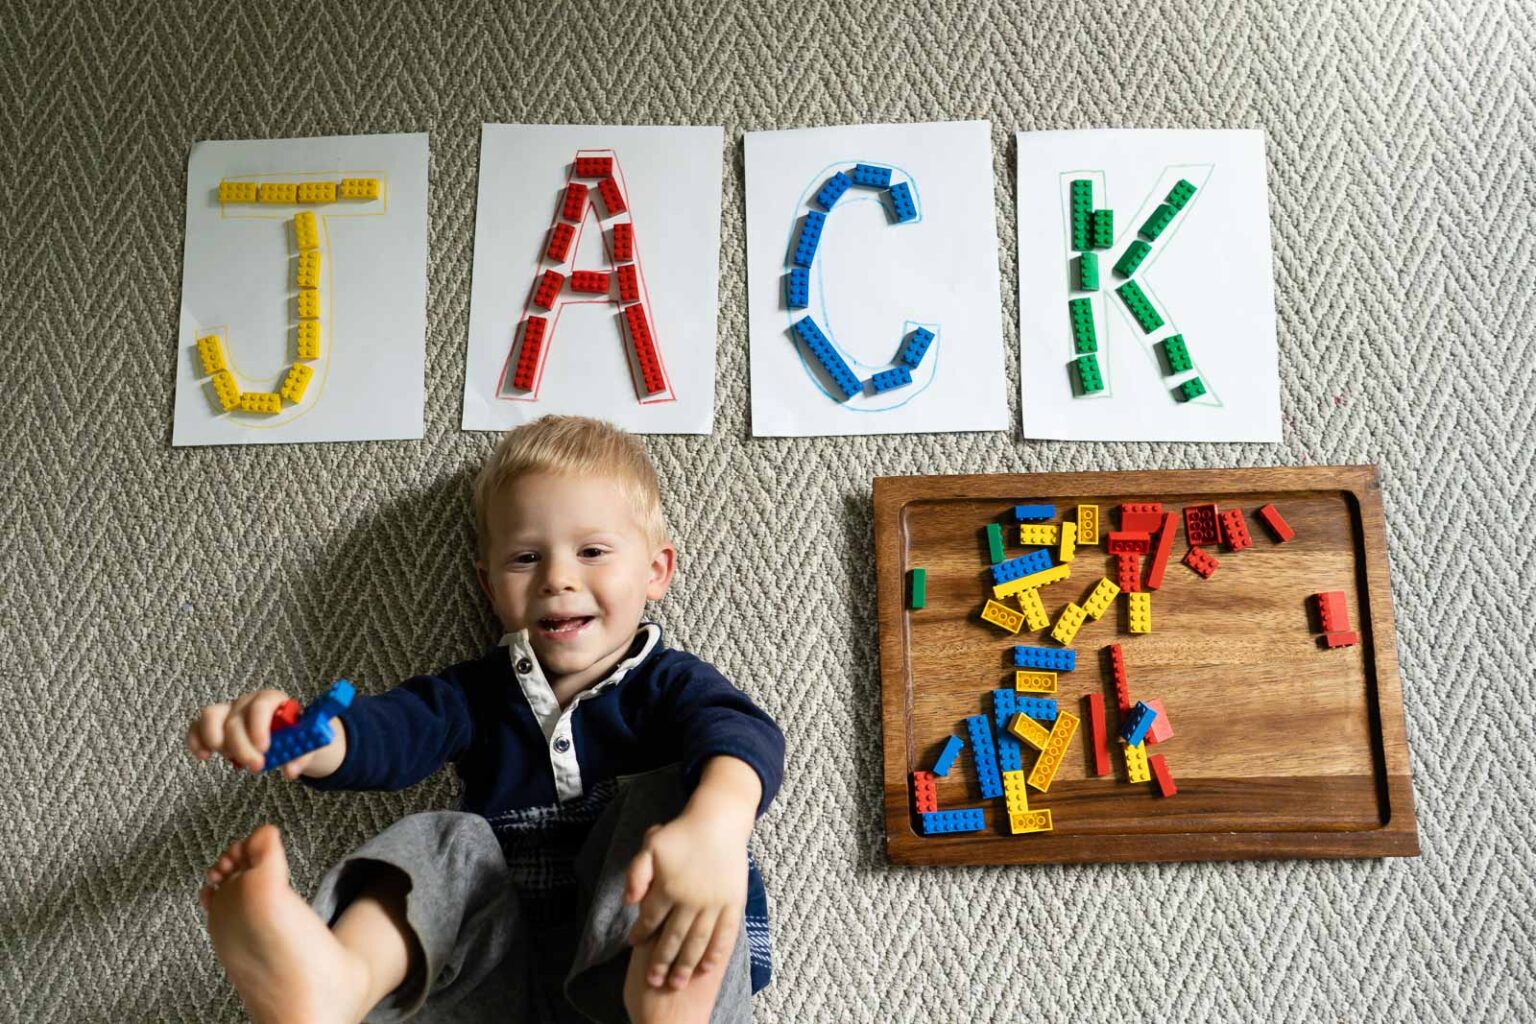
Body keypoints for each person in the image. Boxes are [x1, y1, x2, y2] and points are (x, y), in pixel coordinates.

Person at [186, 415, 785, 1023]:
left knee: (667, 806)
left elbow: (744, 735)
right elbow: (392, 733)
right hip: (501, 975)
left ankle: (671, 1003)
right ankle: (341, 981)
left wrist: (715, 826)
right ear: (490, 586)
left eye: (592, 552)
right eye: (526, 558)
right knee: (448, 839)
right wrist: (309, 737)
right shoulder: (475, 694)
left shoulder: (670, 683)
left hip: (629, 963)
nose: (557, 579)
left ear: (656, 570)